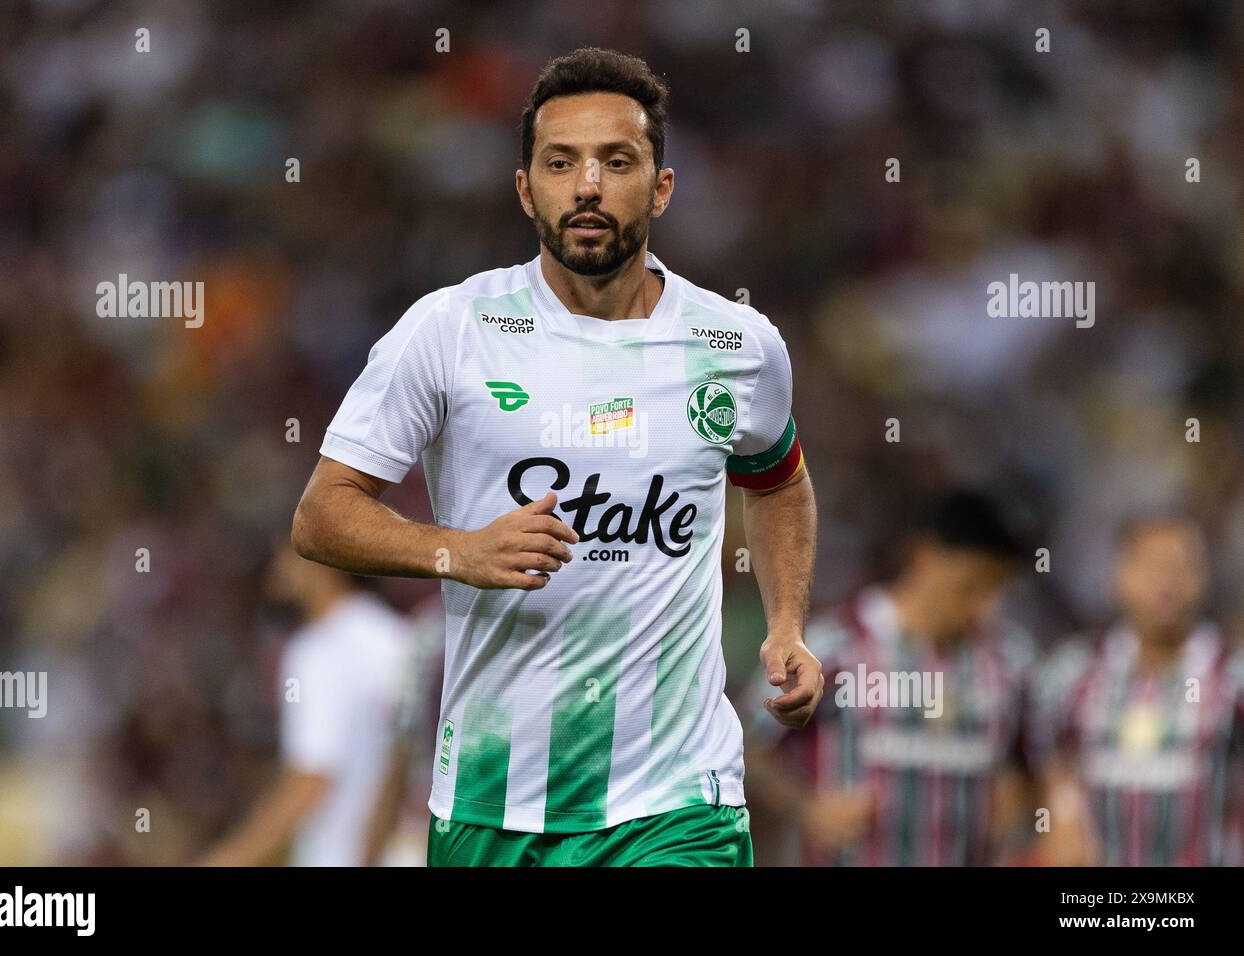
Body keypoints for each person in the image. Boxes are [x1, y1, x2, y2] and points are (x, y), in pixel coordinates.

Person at [291, 47, 823, 867]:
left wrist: (786, 622)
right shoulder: (450, 329)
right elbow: (322, 513)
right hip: (492, 800)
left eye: (618, 162)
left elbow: (778, 481)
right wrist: (457, 550)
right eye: (560, 162)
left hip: (679, 805)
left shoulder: (736, 346)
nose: (587, 186)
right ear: (524, 188)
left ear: (661, 185)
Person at [743, 491, 1034, 865]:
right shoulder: (834, 648)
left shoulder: (1009, 664)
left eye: (996, 590)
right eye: (971, 584)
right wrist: (808, 808)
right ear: (924, 557)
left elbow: (1030, 765)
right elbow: (748, 744)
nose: (983, 605)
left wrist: (1019, 798)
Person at [1033, 515, 1244, 866]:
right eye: (1150, 566)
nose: (1166, 583)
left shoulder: (1233, 676)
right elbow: (1044, 758)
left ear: (1203, 576)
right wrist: (1060, 811)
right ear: (1119, 574)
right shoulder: (1071, 673)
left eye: (1180, 567)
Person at [199, 546, 416, 866]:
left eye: (289, 551)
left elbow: (311, 780)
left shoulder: (317, 651)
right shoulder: (395, 636)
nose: (277, 566)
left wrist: (231, 858)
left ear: (320, 558)